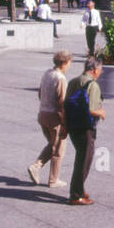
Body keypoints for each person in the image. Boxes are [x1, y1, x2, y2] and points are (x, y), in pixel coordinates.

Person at [63, 58, 105, 206]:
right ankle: (76, 195)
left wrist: (65, 126)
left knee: (80, 158)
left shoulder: (73, 81)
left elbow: (65, 105)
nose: (100, 73)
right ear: (95, 70)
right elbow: (92, 110)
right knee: (84, 161)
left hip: (73, 126)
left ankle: (79, 189)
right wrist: (101, 113)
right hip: (85, 127)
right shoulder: (93, 85)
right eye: (100, 70)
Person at [28, 50, 72, 187]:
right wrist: (64, 122)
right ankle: (53, 179)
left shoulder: (47, 73)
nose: (69, 66)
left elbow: (40, 93)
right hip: (54, 118)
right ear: (64, 63)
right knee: (58, 149)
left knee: (52, 145)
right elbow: (61, 103)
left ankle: (36, 167)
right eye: (69, 63)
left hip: (43, 114)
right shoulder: (61, 79)